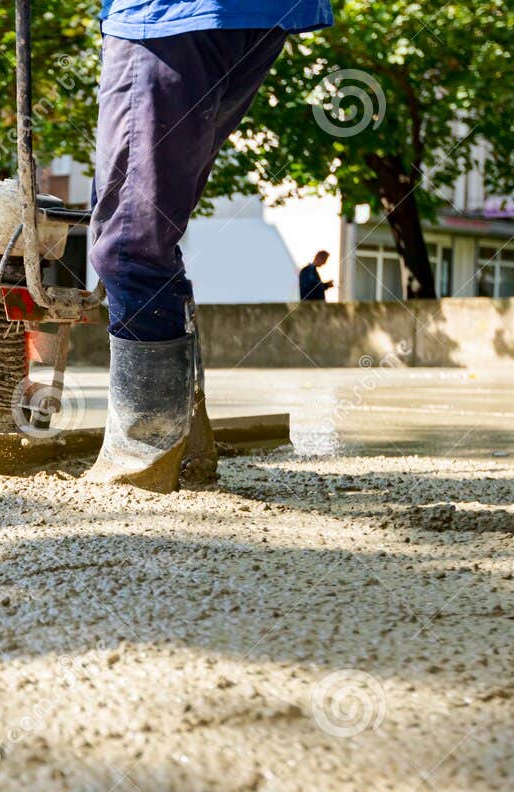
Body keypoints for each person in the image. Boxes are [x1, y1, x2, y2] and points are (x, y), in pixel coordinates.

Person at [88, 0, 334, 493]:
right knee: (152, 230)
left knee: (128, 242)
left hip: (167, 14)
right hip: (255, 16)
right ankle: (186, 447)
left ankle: (142, 461)